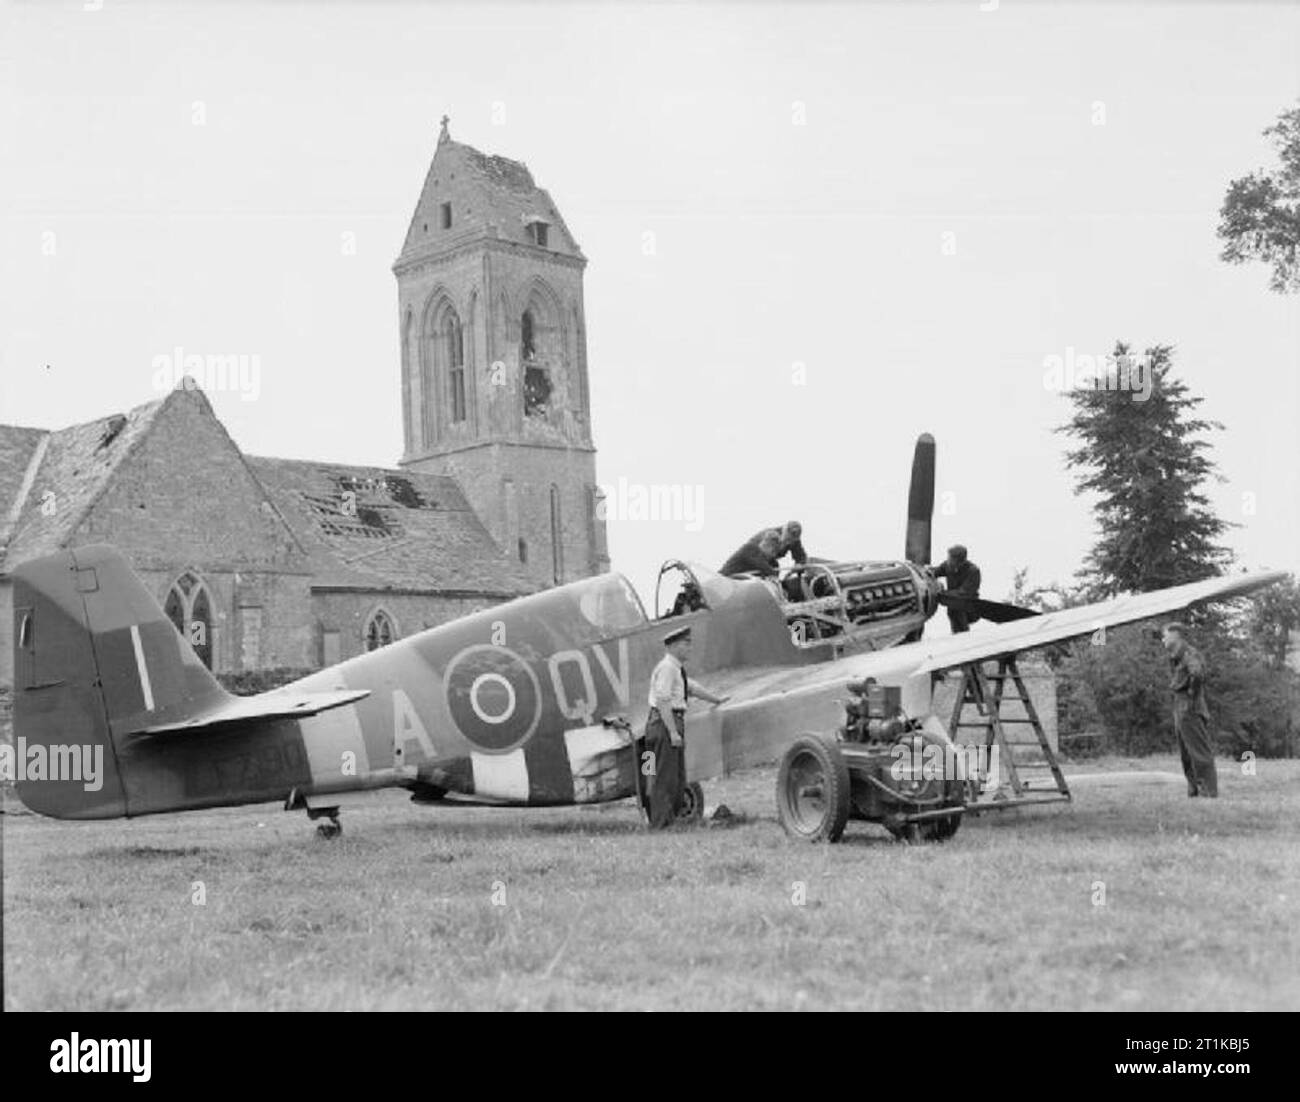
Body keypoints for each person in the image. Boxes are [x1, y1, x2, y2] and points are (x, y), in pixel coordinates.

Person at [643, 625, 728, 829]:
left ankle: (666, 820)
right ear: (673, 646)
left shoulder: (675, 669)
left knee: (670, 776)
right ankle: (662, 825)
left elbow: (692, 688)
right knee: (666, 777)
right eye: (686, 643)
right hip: (665, 723)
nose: (690, 647)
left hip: (663, 723)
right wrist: (672, 732)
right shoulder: (668, 669)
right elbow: (663, 701)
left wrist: (716, 699)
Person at [1162, 622, 1218, 798]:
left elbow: (1197, 674)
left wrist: (1192, 693)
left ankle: (1208, 791)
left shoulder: (1189, 654)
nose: (1163, 639)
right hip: (1180, 704)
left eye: (1165, 635)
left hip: (1189, 704)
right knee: (1186, 752)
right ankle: (1194, 789)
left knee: (1199, 751)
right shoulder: (1177, 655)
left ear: (1176, 636)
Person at [933, 544, 982, 633]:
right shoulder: (947, 566)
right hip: (953, 607)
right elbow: (935, 572)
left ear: (959, 561)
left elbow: (964, 593)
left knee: (959, 611)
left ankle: (964, 638)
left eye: (950, 559)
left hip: (969, 608)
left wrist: (942, 593)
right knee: (954, 613)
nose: (948, 560)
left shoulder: (973, 571)